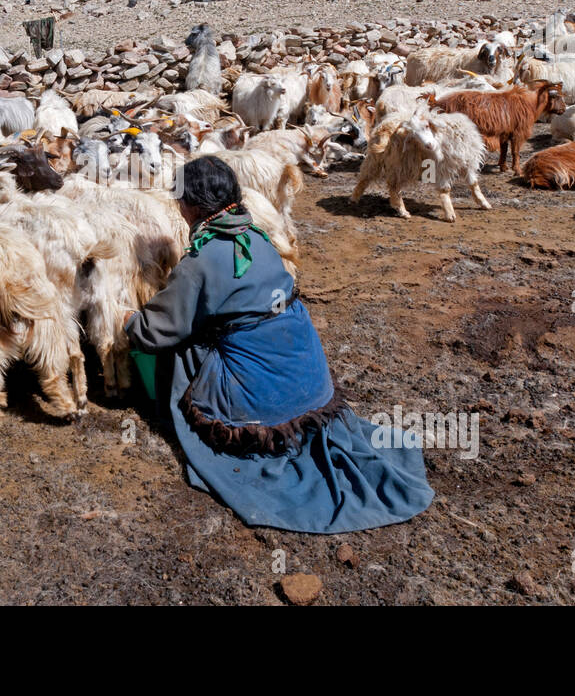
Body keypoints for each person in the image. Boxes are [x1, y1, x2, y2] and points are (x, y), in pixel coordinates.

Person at [123, 156, 433, 533]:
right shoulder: (256, 236)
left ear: (190, 206)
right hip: (309, 377)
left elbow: (158, 330)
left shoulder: (199, 261)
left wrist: (129, 319)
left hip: (264, 401)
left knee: (183, 347)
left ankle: (191, 419)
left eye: (179, 200)